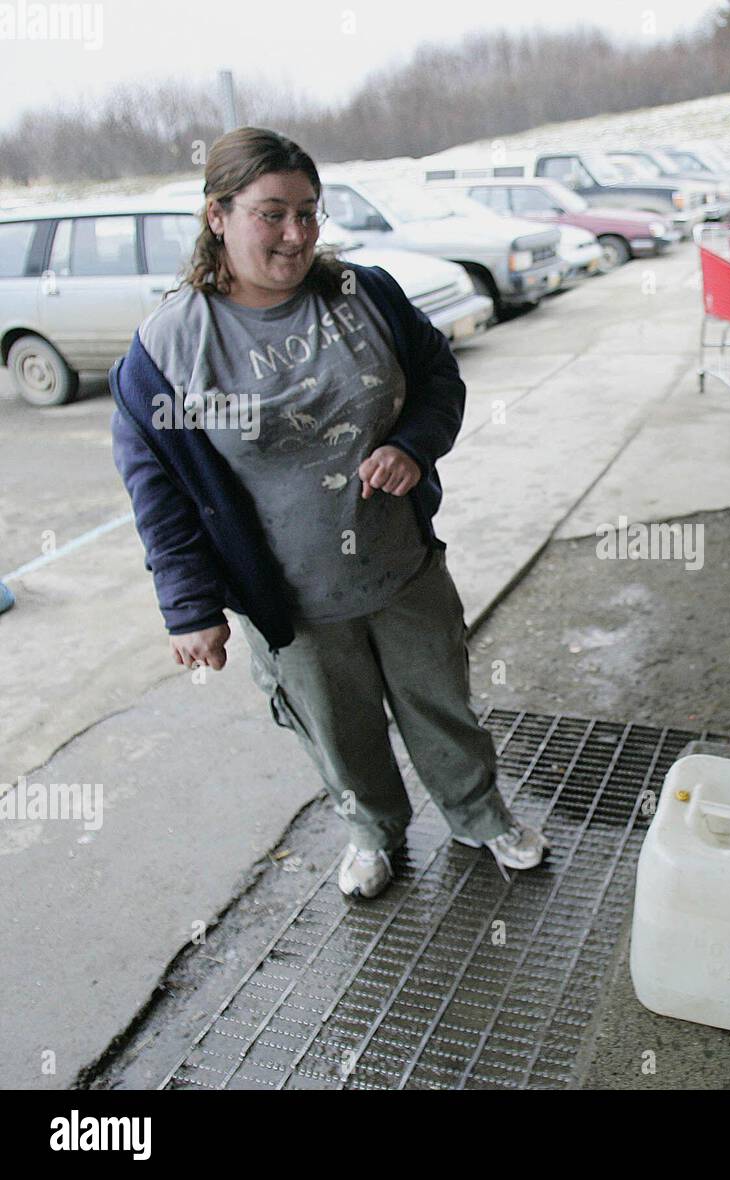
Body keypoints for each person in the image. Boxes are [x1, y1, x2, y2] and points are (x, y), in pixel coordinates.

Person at [110, 127, 547, 900]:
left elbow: (439, 378)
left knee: (442, 706)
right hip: (291, 598)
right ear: (217, 215)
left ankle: (479, 814)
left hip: (401, 567)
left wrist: (414, 444)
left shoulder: (365, 294)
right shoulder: (168, 347)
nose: (296, 235)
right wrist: (189, 608)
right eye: (271, 213)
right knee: (340, 735)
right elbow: (160, 492)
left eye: (309, 213)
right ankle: (373, 832)